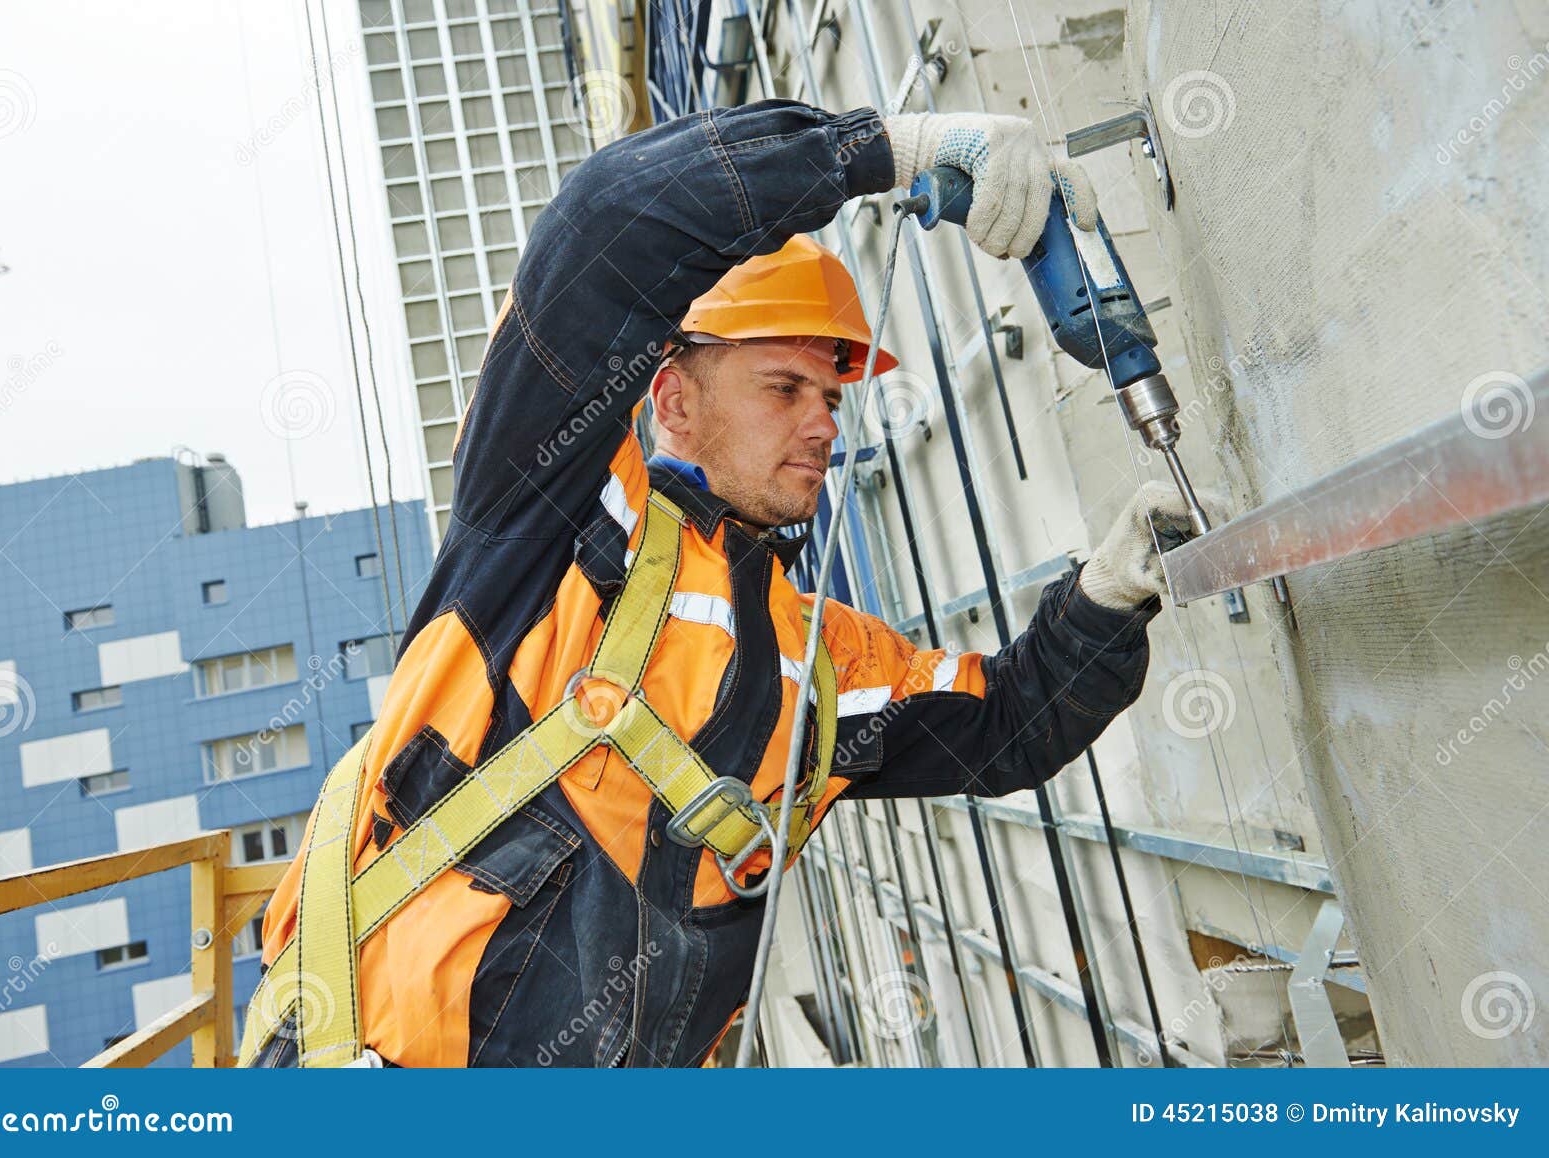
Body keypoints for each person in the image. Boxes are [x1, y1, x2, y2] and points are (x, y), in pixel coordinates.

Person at [241, 100, 1201, 1069]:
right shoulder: (556, 526)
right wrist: (886, 150)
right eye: (782, 389)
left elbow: (1004, 728)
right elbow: (606, 221)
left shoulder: (819, 660)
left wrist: (1110, 595)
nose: (824, 424)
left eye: (830, 398)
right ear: (673, 400)